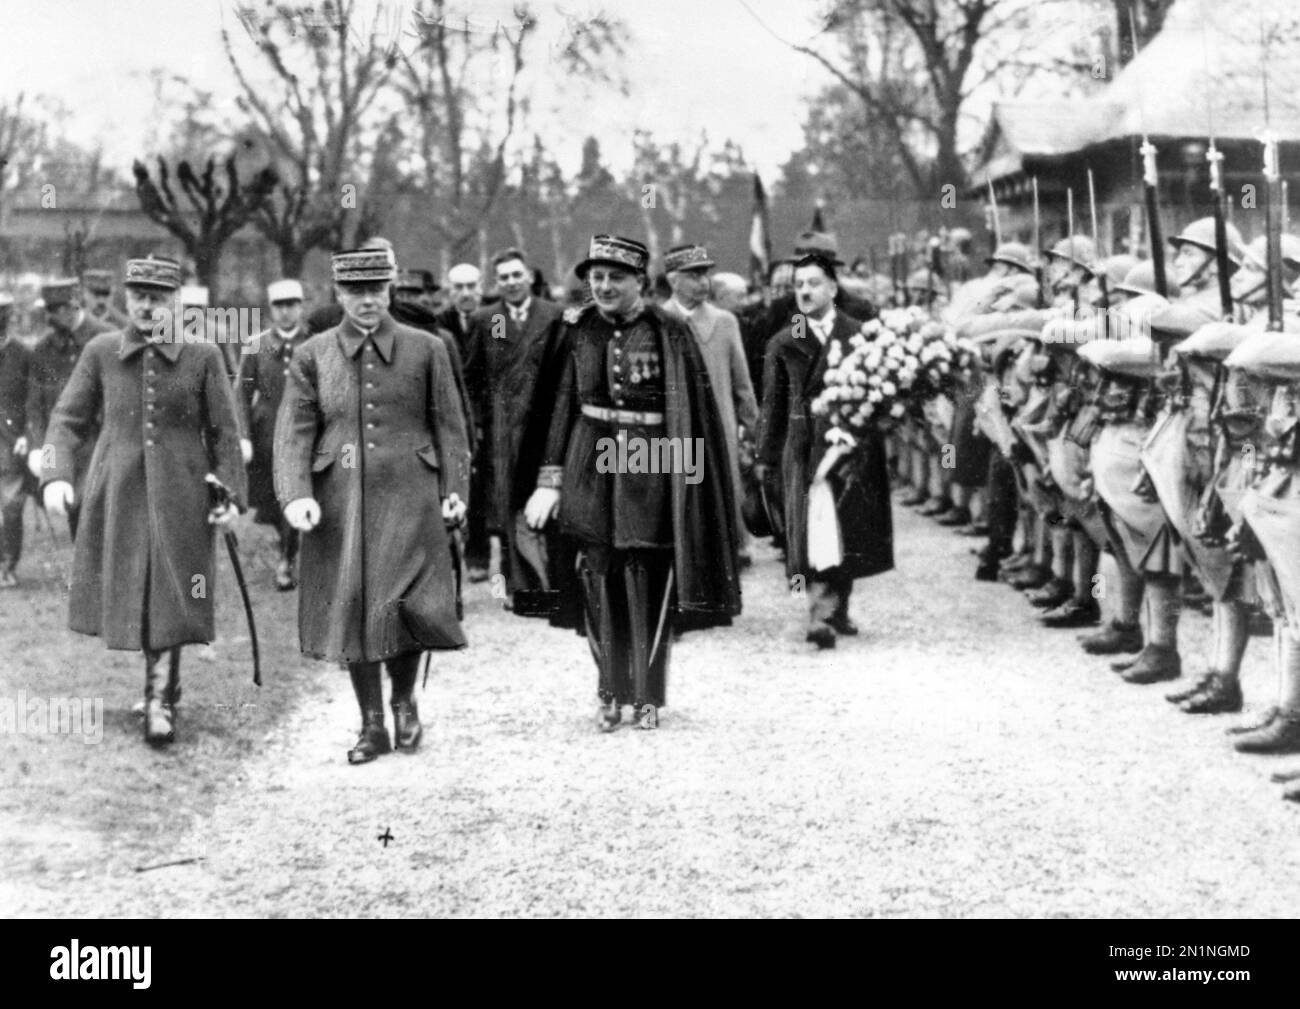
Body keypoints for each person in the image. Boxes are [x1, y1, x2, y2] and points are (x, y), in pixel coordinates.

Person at [522, 234, 741, 731]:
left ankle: (647, 695)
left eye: (614, 277)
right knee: (596, 575)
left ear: (641, 282)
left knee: (646, 575)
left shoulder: (670, 329)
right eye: (595, 277)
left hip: (651, 459)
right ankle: (608, 692)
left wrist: (687, 491)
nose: (602, 286)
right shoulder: (576, 329)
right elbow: (559, 406)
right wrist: (549, 481)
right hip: (588, 460)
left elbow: (689, 412)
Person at [274, 247, 471, 764]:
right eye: (356, 291)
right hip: (340, 501)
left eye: (376, 290)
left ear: (390, 291)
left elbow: (450, 427)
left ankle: (404, 701)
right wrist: (296, 495)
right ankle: (371, 723)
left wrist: (455, 489)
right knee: (355, 604)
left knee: (405, 602)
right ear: (339, 294)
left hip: (412, 495)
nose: (367, 301)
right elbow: (294, 433)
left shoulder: (427, 348)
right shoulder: (312, 355)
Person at [39, 256, 246, 746]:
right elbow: (64, 420)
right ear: (127, 299)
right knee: (137, 587)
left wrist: (230, 491)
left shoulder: (204, 355)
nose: (147, 306)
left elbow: (224, 431)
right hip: (119, 489)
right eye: (139, 297)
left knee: (171, 589)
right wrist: (54, 473)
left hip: (183, 492)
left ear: (176, 301)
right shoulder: (101, 351)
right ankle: (162, 686)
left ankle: (158, 701)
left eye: (158, 298)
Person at [758, 252, 893, 649]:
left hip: (850, 440)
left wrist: (876, 424)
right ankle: (818, 613)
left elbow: (880, 391)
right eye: (799, 285)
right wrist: (764, 456)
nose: (804, 291)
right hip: (803, 444)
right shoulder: (783, 342)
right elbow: (773, 404)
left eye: (813, 283)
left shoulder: (861, 333)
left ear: (833, 289)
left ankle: (840, 606)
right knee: (809, 525)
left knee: (849, 522)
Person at [463, 248, 568, 610]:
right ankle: (512, 584)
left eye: (516, 275)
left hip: (545, 425)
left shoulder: (554, 316)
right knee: (507, 505)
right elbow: (472, 379)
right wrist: (478, 424)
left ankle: (551, 583)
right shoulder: (487, 320)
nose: (510, 283)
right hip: (503, 432)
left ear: (529, 277)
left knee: (548, 499)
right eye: (503, 277)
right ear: (497, 283)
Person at [662, 243, 759, 566]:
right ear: (674, 281)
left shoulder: (726, 322)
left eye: (706, 274)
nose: (703, 282)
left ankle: (728, 556)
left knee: (725, 494)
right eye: (694, 276)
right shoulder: (657, 322)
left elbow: (742, 383)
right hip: (673, 431)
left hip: (721, 429)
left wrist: (754, 430)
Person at [236, 278, 310, 590]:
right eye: (279, 306)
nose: (285, 312)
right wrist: (242, 435)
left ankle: (286, 560)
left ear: (301, 307)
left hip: (305, 431)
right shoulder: (256, 344)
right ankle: (287, 555)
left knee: (297, 494)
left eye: (291, 305)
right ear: (270, 309)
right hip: (267, 434)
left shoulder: (316, 342)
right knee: (278, 500)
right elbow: (240, 393)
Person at [25, 279, 114, 539]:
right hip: (67, 447)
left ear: (72, 307)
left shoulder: (107, 337)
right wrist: (37, 449)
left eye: (54, 310)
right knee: (77, 512)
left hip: (104, 442)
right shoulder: (43, 349)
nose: (49, 317)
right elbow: (35, 405)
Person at [0, 293, 31, 587]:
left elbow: (33, 400)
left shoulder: (23, 353)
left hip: (11, 441)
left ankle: (7, 565)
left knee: (11, 505)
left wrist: (27, 435)